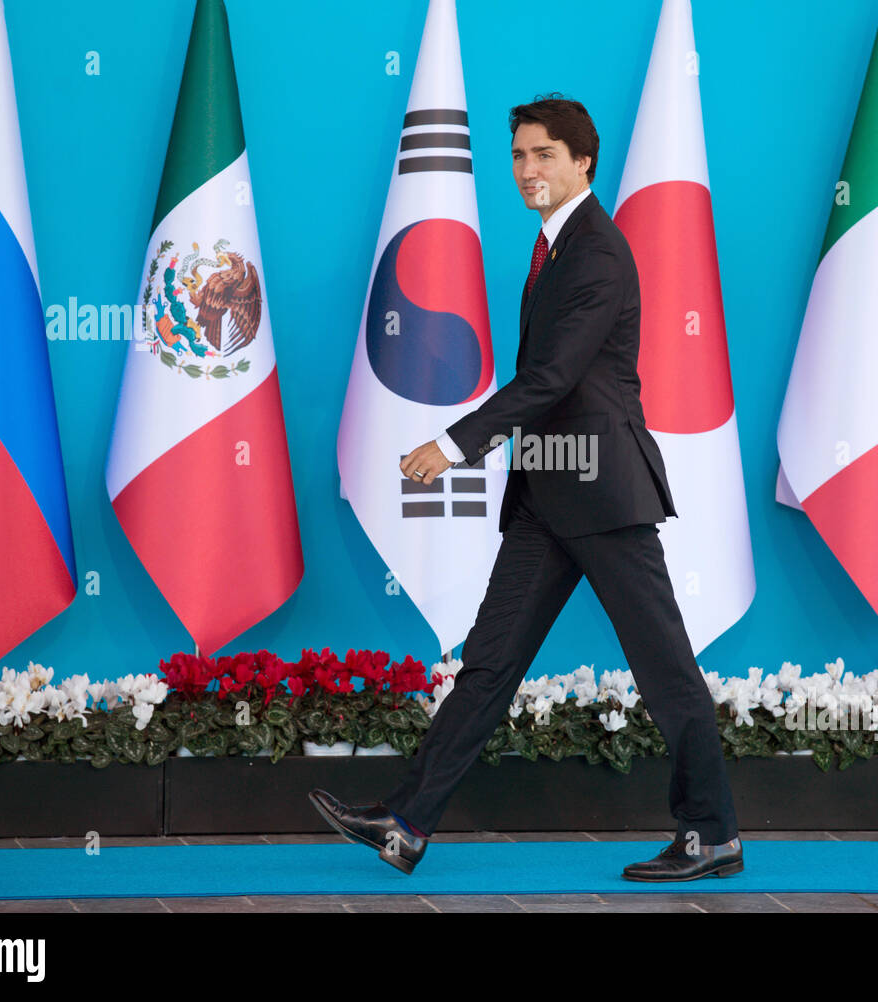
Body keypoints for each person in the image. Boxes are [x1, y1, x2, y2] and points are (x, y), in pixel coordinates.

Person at [310, 94, 741, 882]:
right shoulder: (554, 248)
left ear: (584, 162)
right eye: (517, 156)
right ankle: (406, 822)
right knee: (490, 663)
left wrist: (454, 444)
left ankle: (710, 834)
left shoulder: (598, 253)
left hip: (603, 490)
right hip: (548, 493)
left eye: (543, 154)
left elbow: (548, 378)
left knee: (664, 668)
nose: (526, 169)